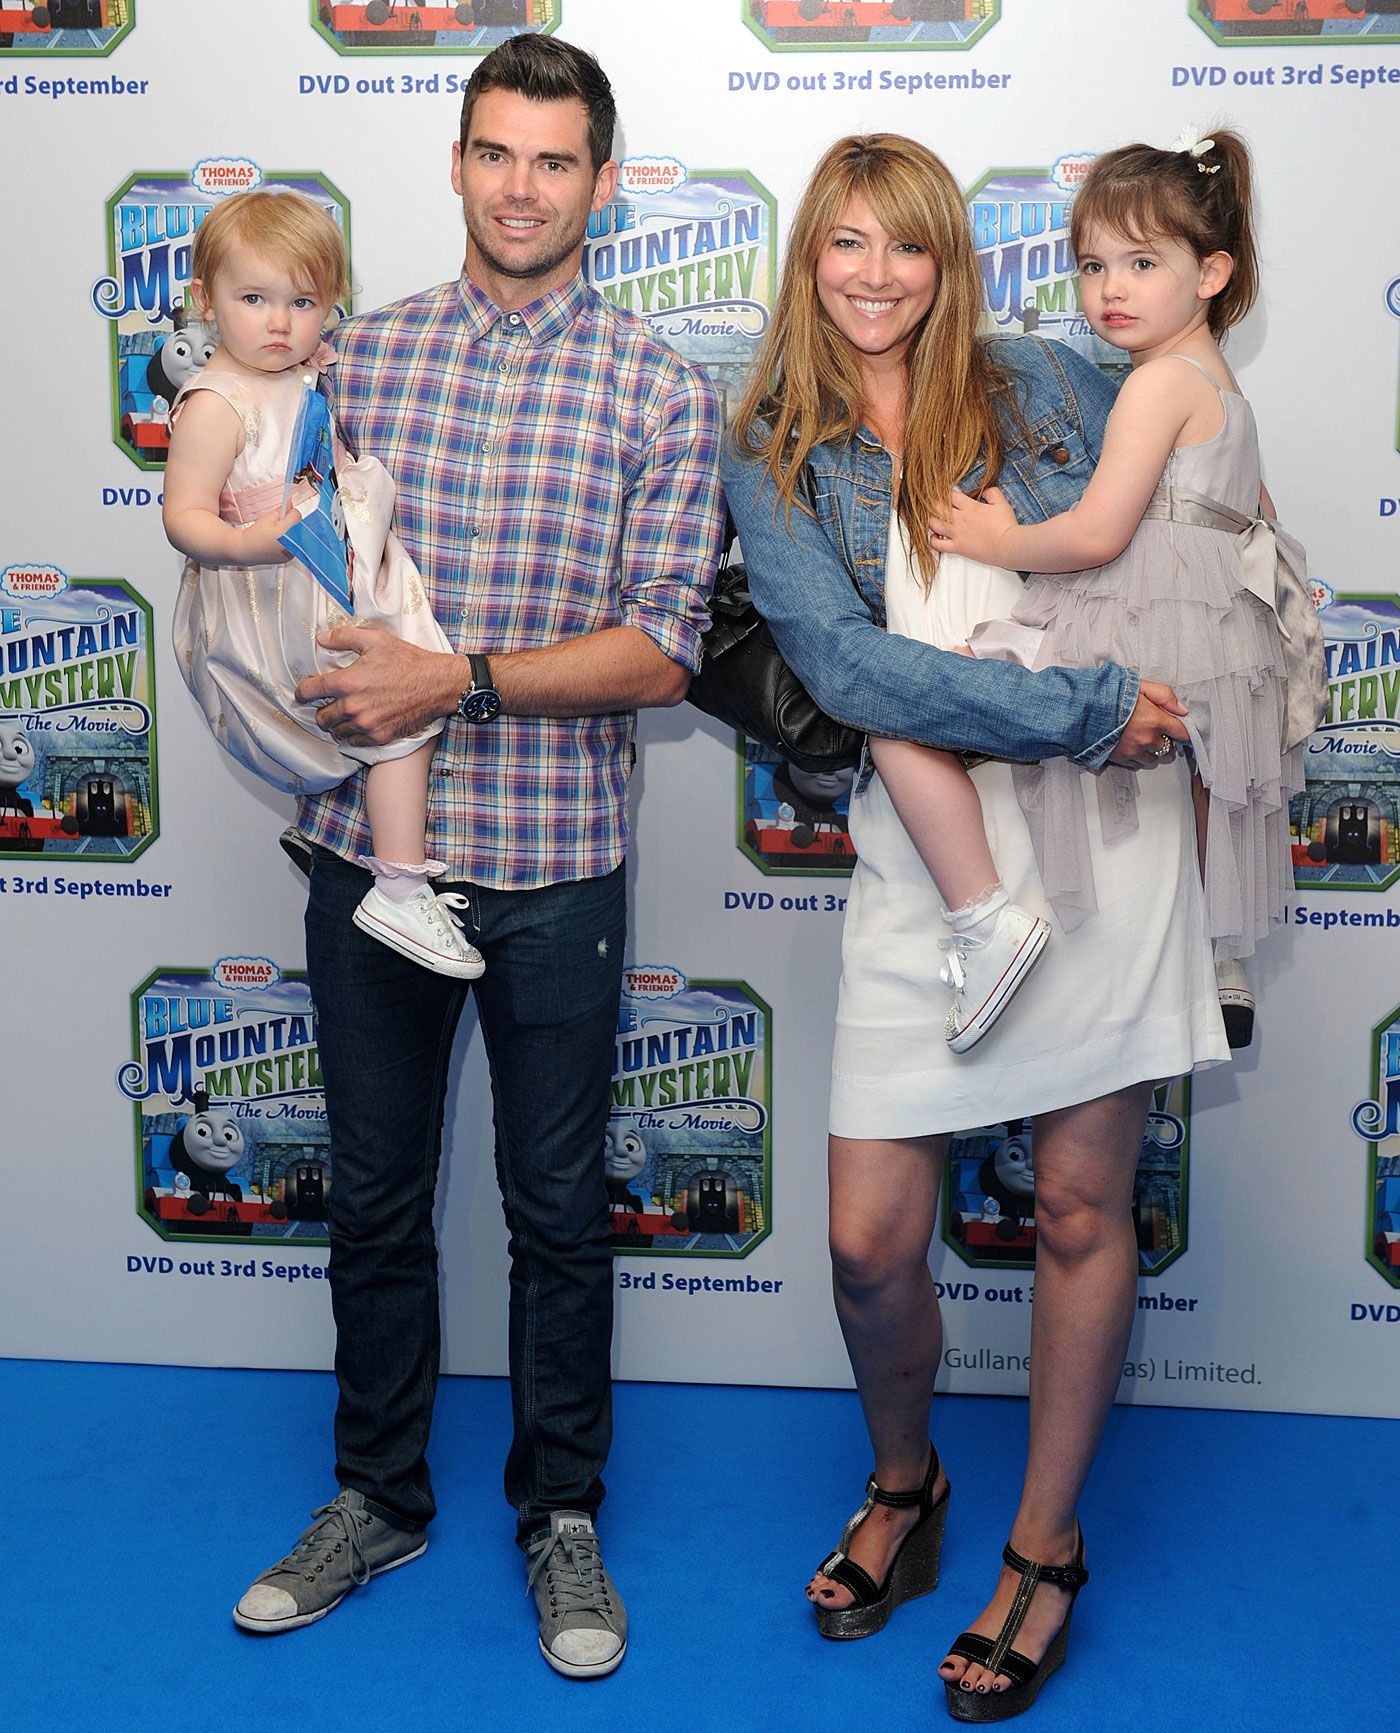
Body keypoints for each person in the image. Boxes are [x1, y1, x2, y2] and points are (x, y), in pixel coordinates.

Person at [229, 35, 724, 1679]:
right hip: (367, 861)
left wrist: (465, 676)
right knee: (372, 1201)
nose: (522, 185)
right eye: (496, 153)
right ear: (453, 163)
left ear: (602, 181)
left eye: (555, 159)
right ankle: (377, 1495)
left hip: (558, 863)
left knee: (557, 1211)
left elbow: (663, 648)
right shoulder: (354, 360)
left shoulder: (657, 382)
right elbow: (272, 567)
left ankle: (559, 1513)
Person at [721, 133, 1227, 1721]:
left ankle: (1045, 1543)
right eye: (845, 245)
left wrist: (1128, 701)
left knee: (1082, 1212)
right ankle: (907, 1479)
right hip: (935, 857)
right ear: (808, 256)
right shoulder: (770, 442)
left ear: (954, 260)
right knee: (871, 1241)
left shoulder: (1054, 380)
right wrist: (1077, 706)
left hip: (1107, 847)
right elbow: (851, 675)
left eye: (911, 248)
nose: (876, 278)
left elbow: (1169, 558)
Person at [894, 128, 1298, 1054]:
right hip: (1223, 628)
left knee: (963, 679)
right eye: (1092, 265)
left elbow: (1098, 531)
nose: (1110, 289)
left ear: (1211, 273)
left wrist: (1001, 536)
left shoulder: (1156, 385)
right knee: (1208, 791)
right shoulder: (1222, 383)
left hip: (1147, 608)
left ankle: (1001, 919)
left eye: (1142, 262)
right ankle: (1219, 961)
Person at [164, 189, 484, 980]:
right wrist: (251, 542)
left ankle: (378, 857)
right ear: (204, 302)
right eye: (253, 299)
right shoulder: (213, 403)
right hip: (272, 594)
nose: (279, 323)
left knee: (412, 687)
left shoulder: (305, 371)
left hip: (324, 571)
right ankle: (398, 882)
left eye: (303, 302)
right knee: (394, 719)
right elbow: (183, 518)